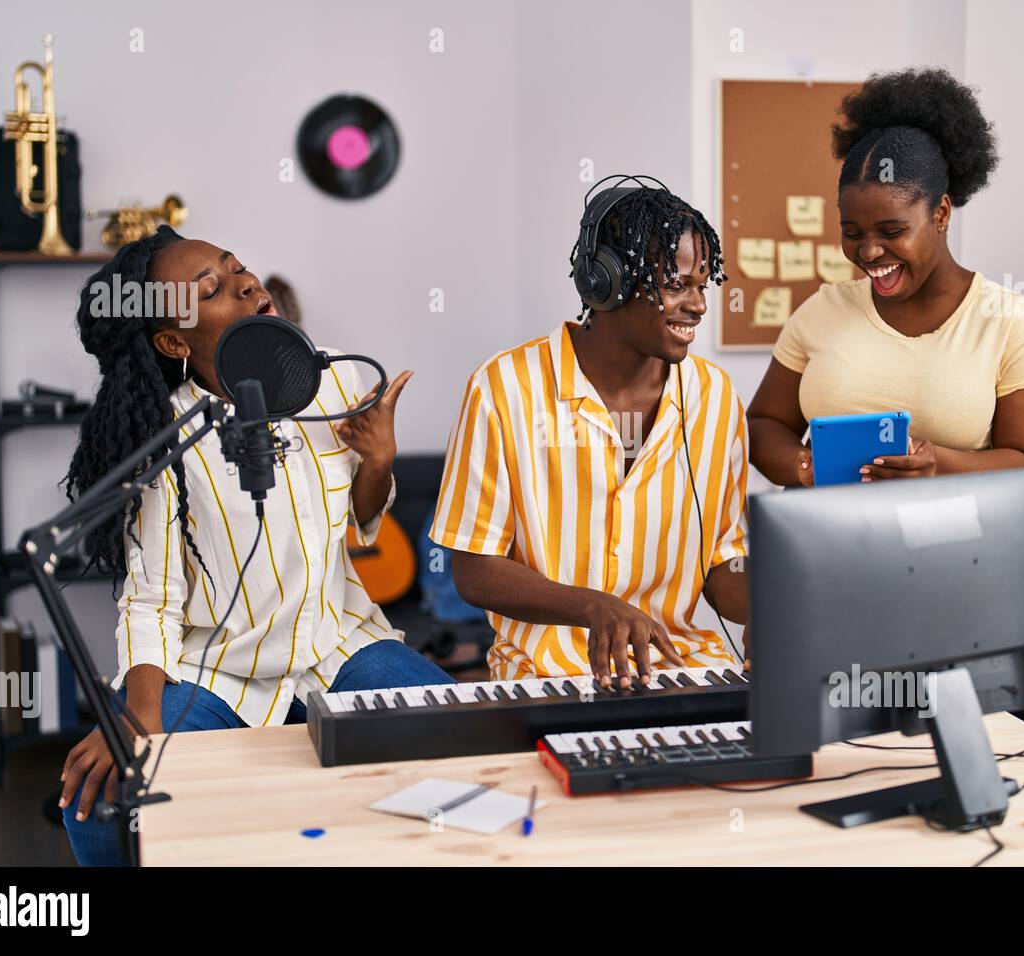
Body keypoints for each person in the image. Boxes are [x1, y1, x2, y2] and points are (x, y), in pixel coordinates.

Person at [58, 226, 452, 865]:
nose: (244, 283)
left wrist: (378, 463)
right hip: (215, 670)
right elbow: (151, 598)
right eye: (211, 288)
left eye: (235, 266)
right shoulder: (166, 439)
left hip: (337, 643)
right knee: (103, 806)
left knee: (460, 744)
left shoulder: (338, 379)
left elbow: (365, 522)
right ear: (172, 340)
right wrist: (135, 715)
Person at [430, 181, 750, 688]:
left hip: (681, 674)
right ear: (608, 283)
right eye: (675, 284)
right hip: (545, 677)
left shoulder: (715, 396)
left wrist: (775, 609)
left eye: (702, 285)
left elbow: (721, 566)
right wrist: (590, 606)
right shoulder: (503, 388)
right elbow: (474, 568)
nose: (699, 306)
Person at [747, 68, 1024, 487]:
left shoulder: (1010, 322)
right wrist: (808, 468)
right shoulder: (822, 311)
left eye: (893, 232)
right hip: (828, 545)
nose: (870, 251)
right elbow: (763, 424)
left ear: (941, 214)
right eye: (852, 232)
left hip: (957, 548)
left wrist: (938, 466)